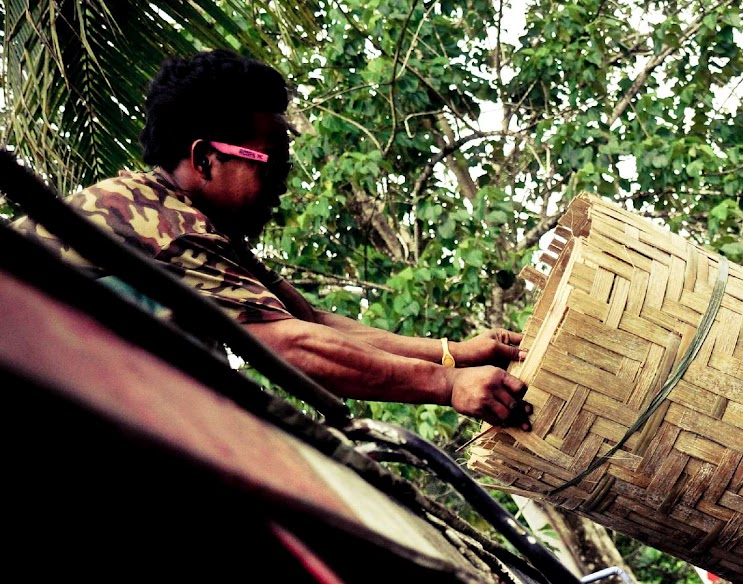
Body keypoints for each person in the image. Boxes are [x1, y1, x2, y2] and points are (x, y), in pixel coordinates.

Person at [10, 50, 531, 428]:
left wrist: (453, 354)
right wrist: (446, 387)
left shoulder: (185, 221)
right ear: (204, 160)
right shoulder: (165, 227)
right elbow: (289, 346)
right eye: (271, 159)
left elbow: (308, 323)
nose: (282, 179)